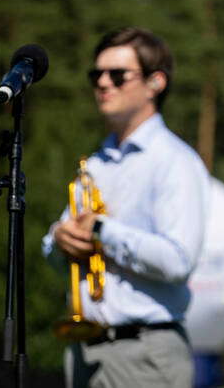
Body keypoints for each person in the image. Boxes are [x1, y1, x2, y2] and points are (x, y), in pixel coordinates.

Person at [43, 27, 210, 388]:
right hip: (85, 350)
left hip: (146, 352)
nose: (103, 83)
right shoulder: (97, 164)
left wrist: (102, 230)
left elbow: (178, 261)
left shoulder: (175, 161)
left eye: (118, 75)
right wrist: (60, 239)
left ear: (156, 82)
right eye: (96, 75)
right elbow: (55, 252)